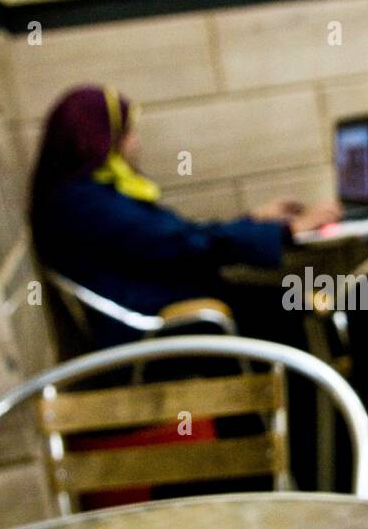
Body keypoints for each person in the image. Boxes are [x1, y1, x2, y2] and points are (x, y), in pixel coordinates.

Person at [30, 84, 339, 345]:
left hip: (173, 312)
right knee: (299, 303)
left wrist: (255, 221)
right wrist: (285, 231)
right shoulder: (85, 202)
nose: (135, 143)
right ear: (97, 138)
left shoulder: (82, 197)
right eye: (125, 134)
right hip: (166, 326)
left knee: (297, 298)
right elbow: (182, 245)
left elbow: (177, 236)